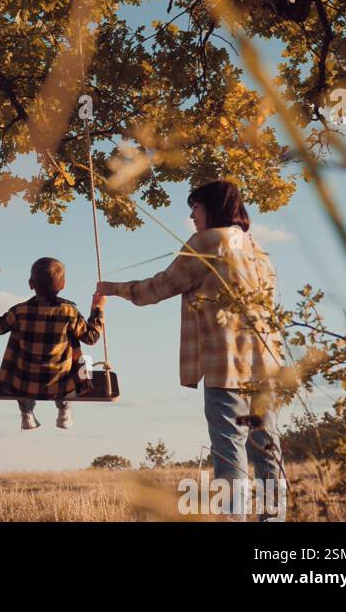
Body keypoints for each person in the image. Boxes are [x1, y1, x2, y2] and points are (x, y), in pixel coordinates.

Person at [97, 181, 285, 520]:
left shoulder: (207, 241)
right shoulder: (259, 251)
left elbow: (159, 287)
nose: (191, 215)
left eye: (195, 207)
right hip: (267, 366)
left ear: (212, 209)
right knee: (267, 451)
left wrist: (115, 289)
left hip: (225, 364)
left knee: (230, 452)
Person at [0, 257, 105, 430]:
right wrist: (97, 308)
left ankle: (26, 413)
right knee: (85, 360)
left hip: (23, 383)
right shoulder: (69, 312)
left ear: (30, 284)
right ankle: (64, 411)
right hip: (61, 384)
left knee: (18, 362)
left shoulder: (19, 311)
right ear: (63, 285)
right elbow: (91, 337)